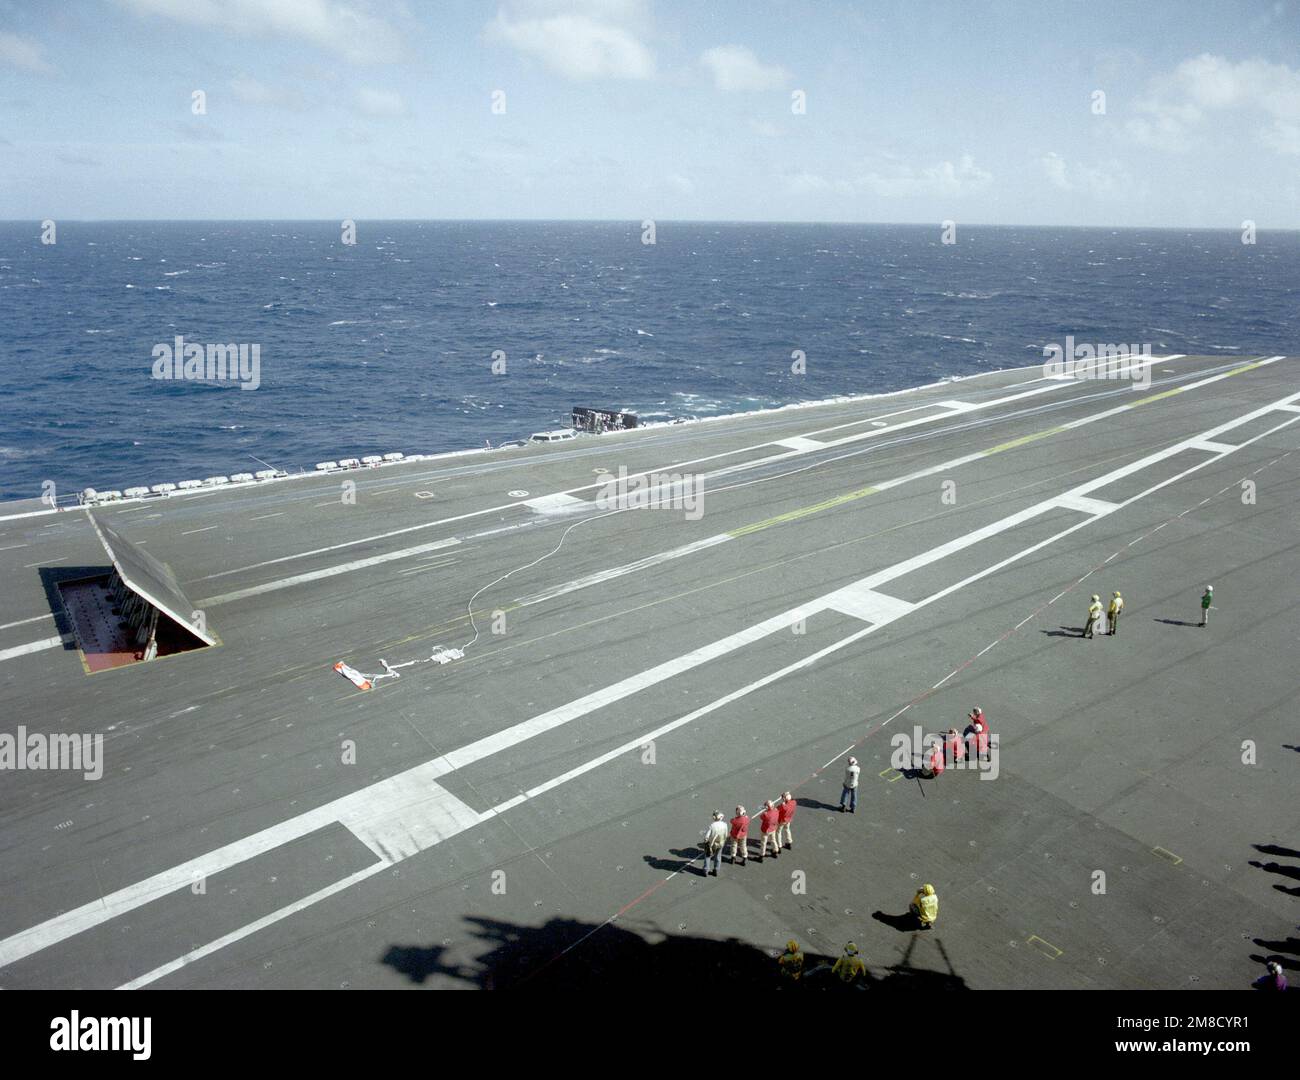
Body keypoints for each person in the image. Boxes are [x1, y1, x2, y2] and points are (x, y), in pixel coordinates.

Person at [700, 810, 727, 877]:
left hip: (712, 844)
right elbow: (726, 835)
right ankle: (716, 870)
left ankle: (706, 870)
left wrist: (706, 840)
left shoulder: (712, 826)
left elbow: (707, 836)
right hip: (720, 843)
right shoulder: (725, 825)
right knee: (718, 856)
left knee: (708, 856)